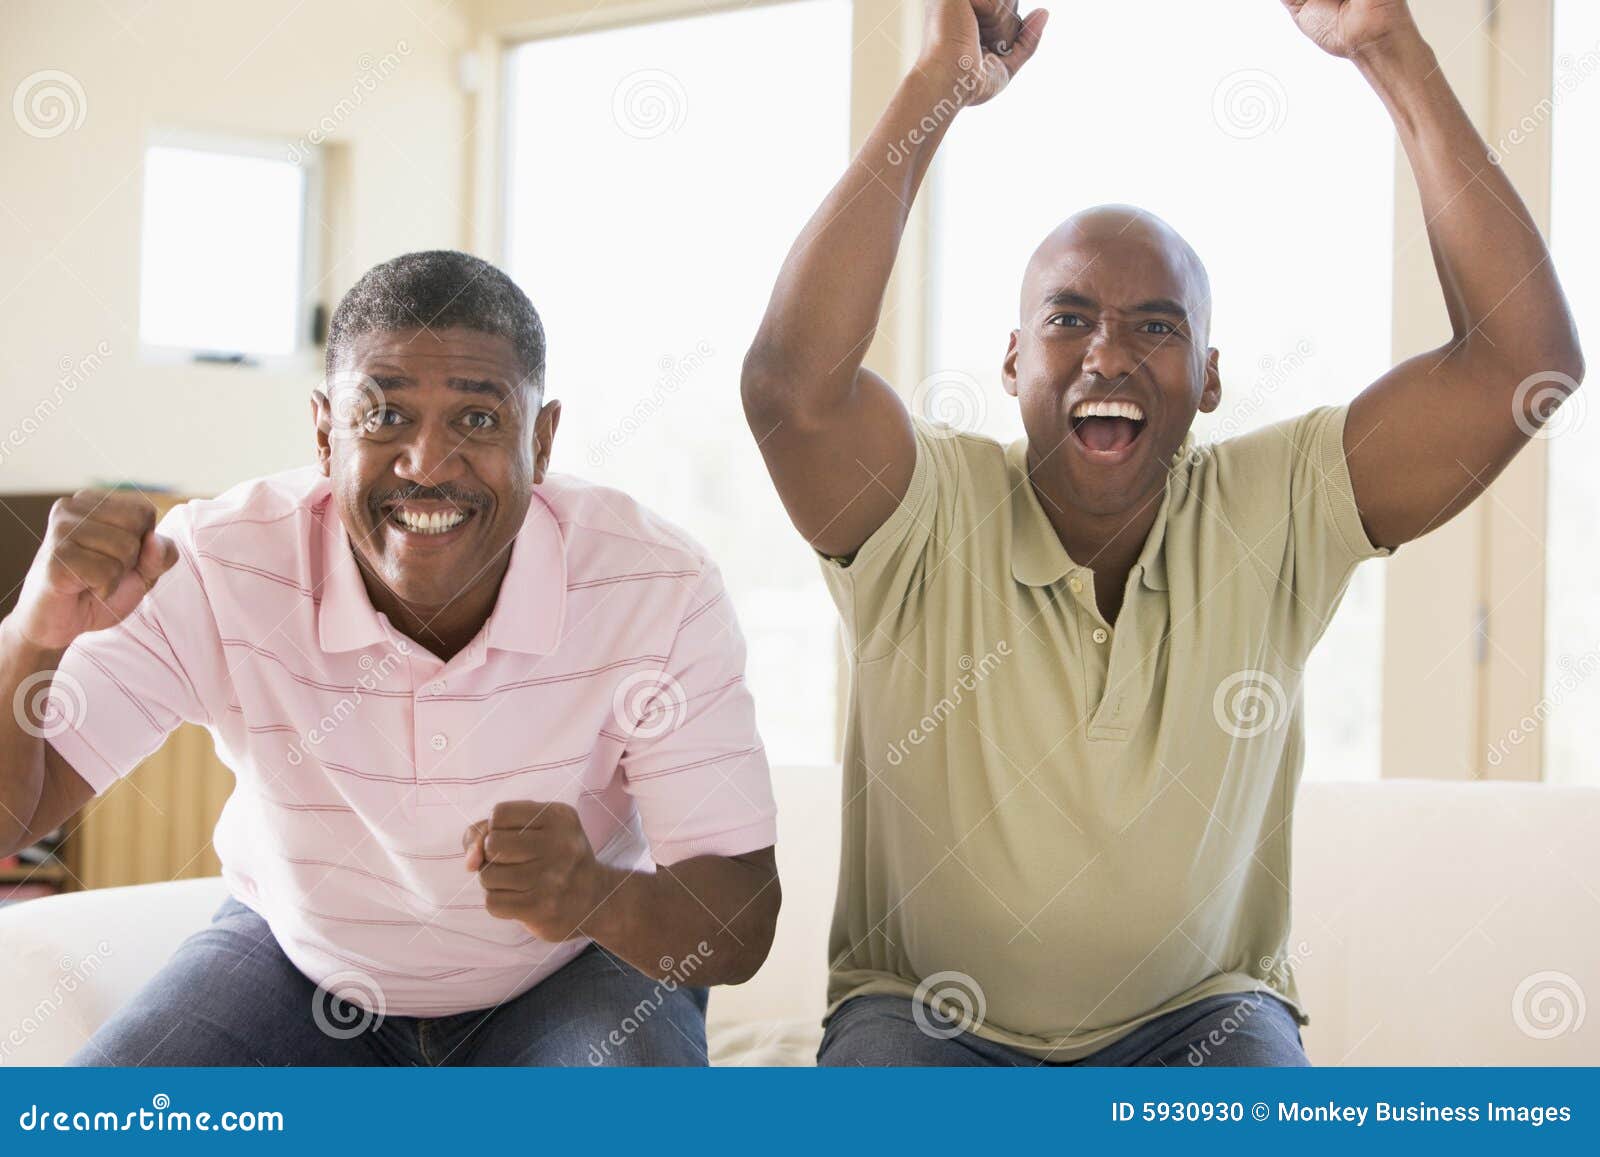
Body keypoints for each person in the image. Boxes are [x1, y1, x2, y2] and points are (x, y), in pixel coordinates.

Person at [741, 0, 1582, 1066]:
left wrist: (1390, 48)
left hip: (1201, 1020)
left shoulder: (1275, 506)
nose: (1109, 354)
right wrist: (932, 91)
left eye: (1156, 325)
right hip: (923, 1018)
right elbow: (791, 390)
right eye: (1068, 319)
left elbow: (1521, 365)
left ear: (1210, 379)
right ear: (1013, 361)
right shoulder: (926, 511)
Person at [0, 250, 780, 1066]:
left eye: (477, 419)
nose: (427, 465)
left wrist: (596, 895)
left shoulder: (656, 585)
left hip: (575, 966)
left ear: (542, 440)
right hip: (297, 962)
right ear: (324, 433)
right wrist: (30, 637)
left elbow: (742, 922)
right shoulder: (214, 563)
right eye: (383, 416)